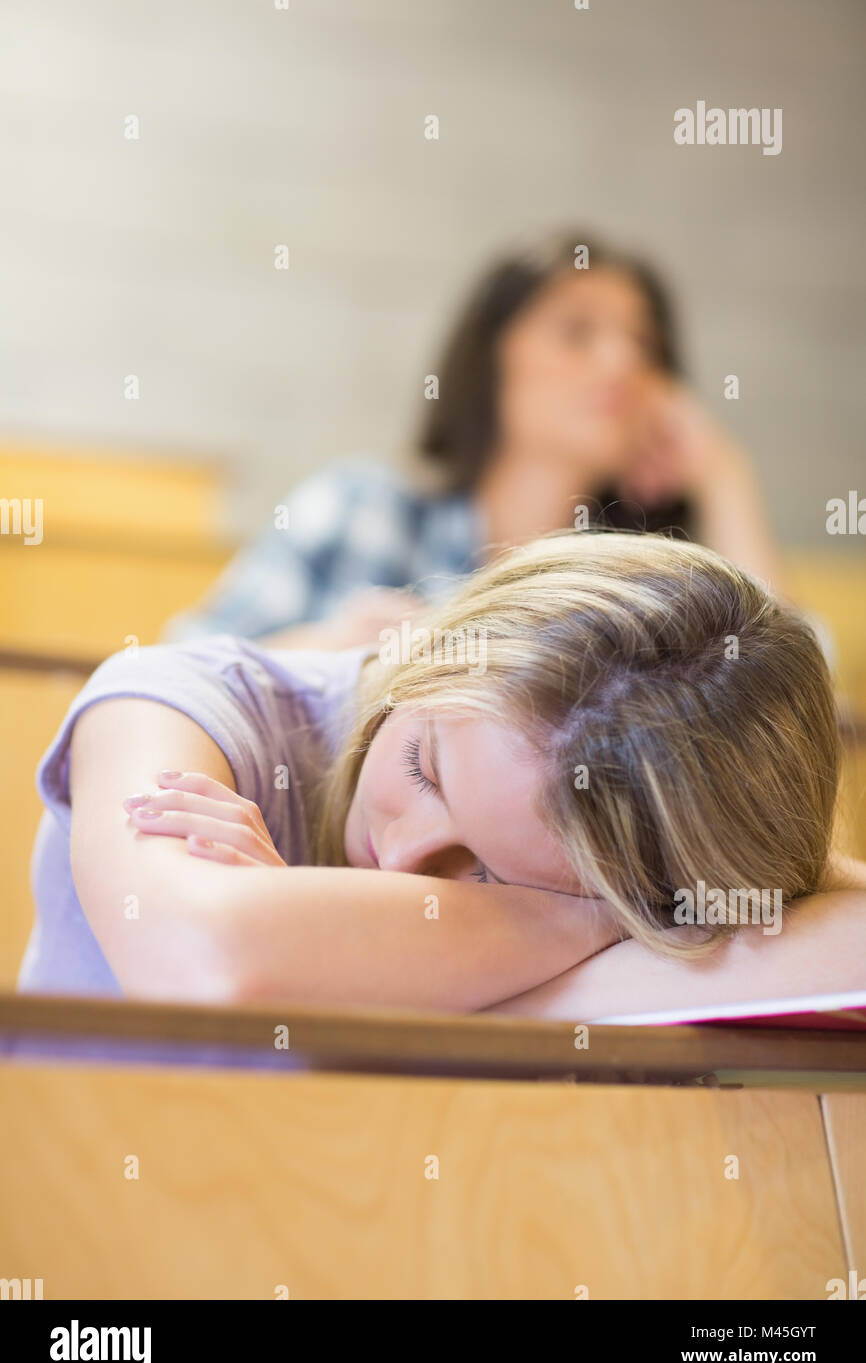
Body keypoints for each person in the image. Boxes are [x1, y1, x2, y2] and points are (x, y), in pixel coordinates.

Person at [20, 531, 864, 1026]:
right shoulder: (177, 700)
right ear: (432, 656)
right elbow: (203, 964)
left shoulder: (647, 866)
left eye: (489, 875)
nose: (402, 858)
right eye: (422, 769)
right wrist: (594, 930)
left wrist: (329, 952)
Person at [164, 231, 783, 648]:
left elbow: (786, 716)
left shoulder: (651, 590)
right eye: (576, 331)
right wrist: (334, 650)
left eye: (645, 345)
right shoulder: (361, 508)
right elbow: (177, 672)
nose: (623, 364)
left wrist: (724, 478)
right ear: (488, 362)